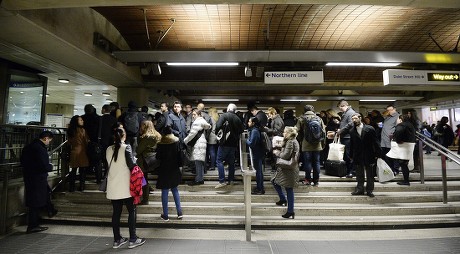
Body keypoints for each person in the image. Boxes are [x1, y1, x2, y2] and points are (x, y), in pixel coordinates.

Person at [106, 126, 145, 249]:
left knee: (116, 213)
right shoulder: (126, 148)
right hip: (127, 187)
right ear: (124, 136)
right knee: (131, 211)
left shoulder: (108, 149)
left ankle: (117, 240)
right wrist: (135, 160)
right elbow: (132, 165)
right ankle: (133, 239)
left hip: (113, 186)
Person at [21, 131, 57, 233]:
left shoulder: (29, 147)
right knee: (35, 202)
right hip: (38, 179)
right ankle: (33, 225)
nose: (49, 142)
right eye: (49, 140)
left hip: (29, 177)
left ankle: (49, 211)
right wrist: (50, 166)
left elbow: (23, 161)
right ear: (46, 138)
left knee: (39, 198)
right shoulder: (40, 149)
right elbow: (43, 165)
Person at [349, 113, 382, 198]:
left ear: (360, 118)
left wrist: (378, 153)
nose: (354, 120)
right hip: (358, 154)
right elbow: (351, 144)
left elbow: (376, 142)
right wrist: (351, 155)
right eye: (352, 119)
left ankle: (369, 190)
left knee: (370, 174)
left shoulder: (369, 128)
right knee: (359, 173)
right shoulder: (352, 130)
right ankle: (359, 189)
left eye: (355, 118)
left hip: (369, 153)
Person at [271, 126, 300, 219]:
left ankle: (290, 211)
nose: (283, 133)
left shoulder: (290, 141)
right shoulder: (292, 140)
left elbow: (285, 155)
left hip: (288, 168)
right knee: (275, 181)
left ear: (288, 133)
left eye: (284, 132)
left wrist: (277, 153)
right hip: (288, 168)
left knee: (289, 189)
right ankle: (283, 200)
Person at [156, 126, 183, 221]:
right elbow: (180, 156)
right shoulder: (176, 141)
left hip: (164, 169)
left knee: (164, 191)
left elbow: (157, 157)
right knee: (175, 190)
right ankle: (179, 213)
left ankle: (166, 215)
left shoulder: (160, 143)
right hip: (174, 168)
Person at [215, 103, 244, 189]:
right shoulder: (237, 118)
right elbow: (241, 130)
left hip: (224, 143)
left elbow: (218, 126)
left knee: (219, 161)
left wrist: (219, 134)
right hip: (233, 144)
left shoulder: (224, 116)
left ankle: (222, 181)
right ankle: (231, 180)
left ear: (228, 109)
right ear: (234, 110)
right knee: (231, 163)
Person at [296, 105, 326, 186]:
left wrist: (301, 140)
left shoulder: (301, 119)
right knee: (316, 162)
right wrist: (322, 144)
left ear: (304, 111)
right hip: (317, 144)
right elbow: (323, 132)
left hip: (306, 144)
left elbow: (297, 131)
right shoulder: (319, 119)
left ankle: (308, 179)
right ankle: (316, 180)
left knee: (307, 162)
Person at [136, 120, 162, 204]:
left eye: (142, 126)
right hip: (155, 159)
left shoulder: (146, 137)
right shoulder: (158, 135)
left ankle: (145, 199)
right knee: (145, 179)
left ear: (145, 126)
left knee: (144, 179)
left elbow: (139, 150)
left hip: (145, 160)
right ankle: (148, 189)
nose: (141, 127)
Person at [184, 109, 211, 186]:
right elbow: (209, 126)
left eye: (194, 114)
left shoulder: (197, 122)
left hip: (198, 144)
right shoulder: (202, 121)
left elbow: (192, 134)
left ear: (199, 115)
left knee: (198, 163)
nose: (193, 116)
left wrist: (185, 140)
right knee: (200, 163)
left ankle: (198, 180)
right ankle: (200, 179)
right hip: (201, 142)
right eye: (192, 114)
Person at [388, 114, 416, 186]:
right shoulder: (410, 125)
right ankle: (406, 180)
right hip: (409, 145)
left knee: (402, 163)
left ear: (400, 119)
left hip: (403, 146)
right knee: (404, 163)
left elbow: (398, 133)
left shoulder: (401, 125)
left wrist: (398, 140)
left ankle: (406, 181)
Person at [67, 115, 90, 192]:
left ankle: (71, 187)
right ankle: (82, 186)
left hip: (73, 151)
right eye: (80, 120)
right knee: (82, 171)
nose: (82, 121)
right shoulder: (82, 130)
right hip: (82, 151)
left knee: (73, 170)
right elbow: (86, 141)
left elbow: (69, 142)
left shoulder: (70, 131)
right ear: (76, 121)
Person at [335, 100, 357, 178]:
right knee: (346, 155)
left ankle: (351, 171)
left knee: (349, 155)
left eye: (340, 108)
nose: (340, 110)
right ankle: (349, 171)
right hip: (345, 136)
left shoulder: (350, 113)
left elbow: (351, 124)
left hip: (348, 137)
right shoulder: (346, 113)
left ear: (344, 105)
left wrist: (341, 131)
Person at [247, 116, 265, 194]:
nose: (248, 123)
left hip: (256, 153)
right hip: (259, 152)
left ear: (253, 123)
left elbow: (252, 144)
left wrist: (246, 140)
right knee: (259, 171)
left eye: (249, 121)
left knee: (258, 171)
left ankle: (260, 188)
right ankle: (260, 187)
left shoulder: (254, 131)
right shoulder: (257, 130)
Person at [380, 105, 400, 175]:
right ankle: (390, 169)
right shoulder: (387, 117)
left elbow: (398, 128)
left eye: (391, 110)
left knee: (393, 156)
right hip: (384, 140)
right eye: (388, 110)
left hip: (391, 140)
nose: (389, 111)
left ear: (394, 109)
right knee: (387, 156)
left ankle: (395, 170)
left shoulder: (398, 117)